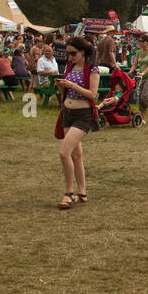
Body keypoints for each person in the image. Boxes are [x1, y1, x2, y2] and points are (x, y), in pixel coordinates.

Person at [56, 37, 101, 209]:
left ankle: (69, 193)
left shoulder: (92, 69)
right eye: (68, 53)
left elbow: (92, 94)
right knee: (75, 155)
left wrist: (72, 85)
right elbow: (65, 91)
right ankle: (82, 191)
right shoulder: (69, 67)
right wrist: (61, 85)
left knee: (64, 152)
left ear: (83, 52)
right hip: (67, 113)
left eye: (73, 53)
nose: (70, 57)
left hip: (83, 115)